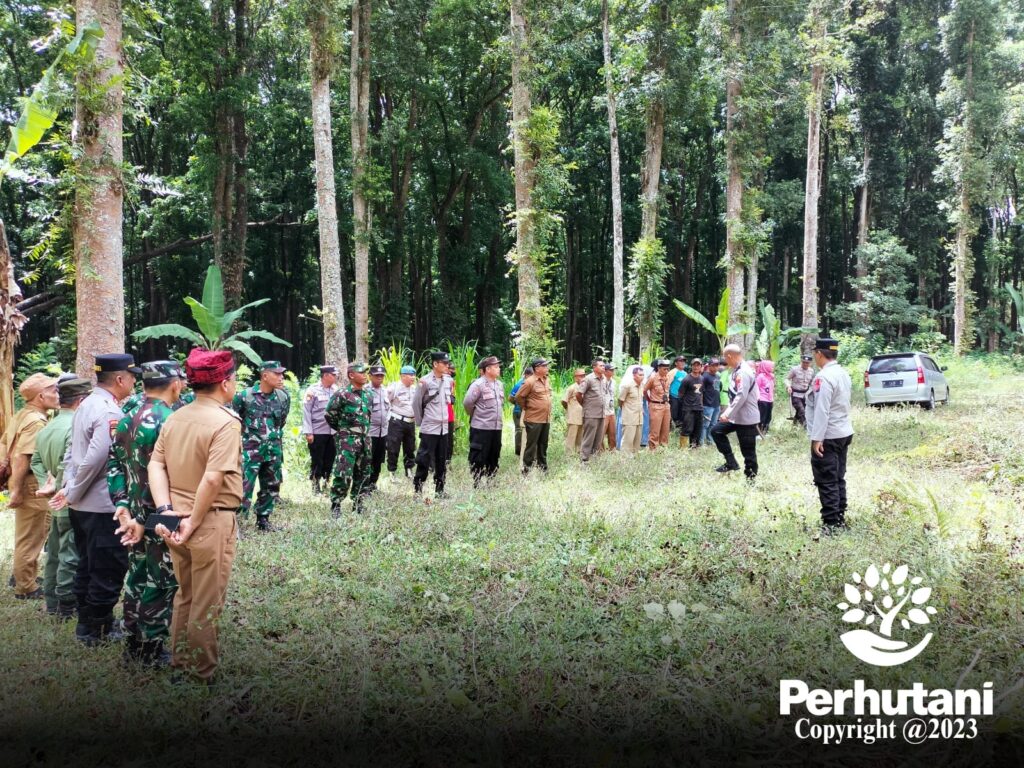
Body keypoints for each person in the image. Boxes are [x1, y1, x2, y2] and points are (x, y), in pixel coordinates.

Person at [149, 348, 241, 684]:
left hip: (175, 521)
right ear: (225, 383)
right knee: (206, 601)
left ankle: (180, 662)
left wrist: (166, 511)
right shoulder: (225, 423)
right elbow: (214, 478)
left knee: (185, 594)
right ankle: (201, 674)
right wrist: (193, 520)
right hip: (210, 521)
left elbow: (155, 464)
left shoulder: (175, 417)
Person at [50, 354, 138, 645]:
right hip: (102, 505)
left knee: (87, 564)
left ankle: (87, 625)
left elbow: (71, 454)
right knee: (107, 567)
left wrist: (68, 487)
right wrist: (72, 489)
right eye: (132, 376)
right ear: (121, 379)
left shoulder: (86, 403)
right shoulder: (108, 411)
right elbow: (95, 460)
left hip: (82, 506)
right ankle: (97, 629)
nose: (135, 382)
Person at [107, 361, 184, 667]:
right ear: (175, 383)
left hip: (134, 514)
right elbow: (170, 475)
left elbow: (114, 464)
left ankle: (132, 643)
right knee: (161, 580)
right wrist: (146, 516)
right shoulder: (171, 421)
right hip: (158, 514)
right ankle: (150, 650)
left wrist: (122, 505)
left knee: (137, 577)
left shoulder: (127, 417)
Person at [32, 375, 89, 618]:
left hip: (55, 500)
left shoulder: (48, 428)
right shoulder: (74, 427)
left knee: (54, 551)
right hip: (69, 499)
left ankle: (52, 600)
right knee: (70, 553)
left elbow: (35, 460)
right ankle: (66, 602)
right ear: (81, 400)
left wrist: (48, 480)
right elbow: (71, 463)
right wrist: (60, 484)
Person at [2, 372, 59, 600]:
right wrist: (15, 490)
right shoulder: (36, 422)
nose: (57, 395)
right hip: (31, 486)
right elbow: (21, 458)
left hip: (27, 484)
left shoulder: (23, 414)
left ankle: (24, 575)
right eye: (53, 391)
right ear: (40, 396)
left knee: (30, 534)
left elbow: (3, 443)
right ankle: (25, 586)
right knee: (31, 537)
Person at [233, 360, 291, 532]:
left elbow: (281, 421)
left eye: (282, 374)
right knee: (243, 486)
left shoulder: (283, 397)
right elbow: (234, 421)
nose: (281, 377)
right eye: (277, 374)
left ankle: (263, 519)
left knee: (271, 485)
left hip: (273, 449)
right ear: (265, 375)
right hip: (250, 451)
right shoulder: (245, 396)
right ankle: (236, 523)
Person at [805, 338, 854, 533]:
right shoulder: (842, 373)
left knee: (827, 479)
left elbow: (822, 410)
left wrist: (817, 438)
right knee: (838, 477)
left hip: (829, 435)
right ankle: (840, 516)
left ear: (819, 354)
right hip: (843, 431)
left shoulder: (823, 377)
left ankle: (832, 523)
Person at [325, 363, 373, 516]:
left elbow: (368, 416)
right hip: (347, 439)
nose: (365, 375)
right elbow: (330, 415)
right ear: (351, 375)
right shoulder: (342, 394)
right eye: (361, 373)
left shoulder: (368, 394)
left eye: (366, 373)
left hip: (365, 439)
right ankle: (336, 505)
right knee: (344, 471)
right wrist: (344, 431)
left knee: (363, 471)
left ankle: (359, 503)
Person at [710, 344, 760, 479]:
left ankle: (751, 479)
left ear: (730, 356)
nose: (725, 361)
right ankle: (731, 462)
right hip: (737, 417)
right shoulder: (736, 371)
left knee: (748, 451)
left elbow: (741, 395)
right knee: (716, 431)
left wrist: (727, 412)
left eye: (725, 357)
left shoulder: (744, 371)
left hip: (746, 418)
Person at [412, 351, 454, 497]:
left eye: (447, 363)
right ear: (435, 364)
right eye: (444, 363)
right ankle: (418, 489)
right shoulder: (425, 381)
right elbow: (416, 403)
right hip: (430, 426)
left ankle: (440, 490)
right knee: (424, 458)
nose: (447, 365)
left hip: (444, 426)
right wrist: (421, 423)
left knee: (442, 459)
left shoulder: (448, 380)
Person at [463, 356, 504, 485]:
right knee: (479, 455)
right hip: (481, 427)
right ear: (488, 369)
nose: (499, 369)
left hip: (496, 427)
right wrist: (476, 416)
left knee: (494, 453)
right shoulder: (478, 384)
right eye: (496, 367)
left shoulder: (499, 384)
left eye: (498, 366)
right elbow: (468, 403)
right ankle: (477, 481)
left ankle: (491, 479)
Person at [301, 365, 339, 494]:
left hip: (332, 432)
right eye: (333, 375)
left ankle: (326, 481)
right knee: (317, 459)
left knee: (330, 458)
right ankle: (315, 484)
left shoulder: (335, 390)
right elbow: (306, 412)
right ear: (326, 375)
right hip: (317, 431)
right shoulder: (312, 391)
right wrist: (308, 432)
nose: (335, 377)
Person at [515, 358, 553, 473]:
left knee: (543, 445)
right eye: (544, 366)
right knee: (531, 445)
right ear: (537, 368)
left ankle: (543, 468)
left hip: (545, 418)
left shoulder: (546, 379)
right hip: (533, 419)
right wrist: (527, 407)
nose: (547, 368)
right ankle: (526, 469)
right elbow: (518, 397)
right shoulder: (529, 381)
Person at [385, 365, 418, 478]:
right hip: (397, 421)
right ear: (402, 376)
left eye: (414, 375)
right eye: (410, 375)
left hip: (410, 422)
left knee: (410, 447)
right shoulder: (394, 387)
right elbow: (386, 402)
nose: (413, 377)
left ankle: (409, 470)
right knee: (393, 447)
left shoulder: (414, 388)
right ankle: (392, 472)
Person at [576, 360, 607, 462]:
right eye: (601, 365)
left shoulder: (604, 379)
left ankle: (594, 459)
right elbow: (579, 394)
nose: (603, 367)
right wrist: (584, 405)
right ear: (594, 367)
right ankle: (584, 459)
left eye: (604, 365)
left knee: (598, 438)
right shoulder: (588, 379)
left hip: (601, 413)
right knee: (589, 437)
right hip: (591, 413)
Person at [366, 364, 390, 490]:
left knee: (378, 460)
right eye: (377, 376)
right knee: (368, 459)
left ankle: (373, 483)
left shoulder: (385, 390)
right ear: (370, 376)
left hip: (383, 432)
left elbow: (388, 409)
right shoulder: (365, 391)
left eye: (381, 376)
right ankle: (365, 484)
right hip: (370, 432)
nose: (380, 378)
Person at [644, 359, 672, 450]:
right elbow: (644, 391)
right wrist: (650, 400)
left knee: (665, 428)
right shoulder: (653, 378)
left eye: (667, 369)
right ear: (659, 368)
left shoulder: (668, 377)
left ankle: (663, 446)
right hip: (656, 406)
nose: (666, 371)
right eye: (664, 369)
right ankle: (653, 448)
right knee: (655, 429)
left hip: (666, 405)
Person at [678, 358, 705, 448]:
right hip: (688, 408)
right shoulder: (687, 379)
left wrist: (701, 405)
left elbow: (701, 393)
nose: (696, 367)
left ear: (701, 367)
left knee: (697, 429)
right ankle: (683, 448)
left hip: (699, 408)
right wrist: (685, 405)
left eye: (698, 365)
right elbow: (680, 394)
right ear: (691, 366)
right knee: (687, 428)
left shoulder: (702, 379)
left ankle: (694, 447)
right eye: (694, 365)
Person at [618, 366, 645, 455]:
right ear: (634, 375)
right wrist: (626, 410)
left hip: (639, 416)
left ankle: (635, 454)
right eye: (640, 375)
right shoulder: (627, 385)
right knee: (628, 438)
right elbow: (620, 400)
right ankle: (625, 456)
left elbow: (640, 400)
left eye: (643, 375)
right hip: (629, 416)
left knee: (637, 438)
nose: (642, 377)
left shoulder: (642, 385)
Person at [786, 354, 815, 426]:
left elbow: (812, 383)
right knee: (802, 410)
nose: (805, 364)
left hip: (805, 395)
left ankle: (794, 425)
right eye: (804, 362)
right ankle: (805, 427)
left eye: (807, 363)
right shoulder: (794, 369)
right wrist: (788, 386)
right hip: (795, 394)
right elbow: (787, 379)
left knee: (802, 410)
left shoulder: (811, 371)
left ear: (810, 363)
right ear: (801, 361)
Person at [509, 366, 532, 457]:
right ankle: (519, 452)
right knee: (519, 432)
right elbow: (510, 398)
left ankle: (525, 451)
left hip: (527, 412)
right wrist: (518, 404)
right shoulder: (520, 384)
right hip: (518, 412)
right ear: (527, 375)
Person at [561, 369, 586, 454]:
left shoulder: (585, 387)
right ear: (575, 377)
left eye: (584, 375)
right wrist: (569, 410)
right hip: (573, 417)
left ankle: (579, 452)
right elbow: (564, 401)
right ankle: (569, 454)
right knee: (571, 436)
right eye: (580, 376)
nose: (583, 377)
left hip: (583, 416)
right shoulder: (571, 388)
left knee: (581, 436)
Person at [700, 358, 722, 446]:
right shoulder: (704, 377)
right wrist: (701, 405)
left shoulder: (717, 376)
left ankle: (710, 440)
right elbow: (701, 392)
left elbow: (717, 389)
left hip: (716, 404)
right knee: (705, 425)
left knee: (713, 424)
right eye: (713, 365)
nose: (716, 367)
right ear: (709, 366)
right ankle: (701, 442)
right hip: (707, 405)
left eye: (717, 365)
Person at [668, 356, 687, 435]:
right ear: (676, 363)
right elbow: (667, 384)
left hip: (682, 397)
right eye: (680, 361)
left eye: (684, 361)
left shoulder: (685, 373)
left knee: (681, 415)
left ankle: (678, 431)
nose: (682, 362)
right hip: (673, 396)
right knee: (673, 414)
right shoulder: (673, 372)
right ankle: (670, 431)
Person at [756, 359, 776, 435]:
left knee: (768, 416)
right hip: (762, 399)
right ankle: (758, 433)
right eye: (771, 367)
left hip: (770, 400)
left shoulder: (771, 376)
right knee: (762, 416)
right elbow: (756, 388)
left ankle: (765, 431)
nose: (772, 368)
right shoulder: (760, 377)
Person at [602, 363, 618, 450]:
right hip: (603, 410)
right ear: (605, 371)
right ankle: (601, 450)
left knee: (612, 431)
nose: (613, 372)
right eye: (611, 370)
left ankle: (613, 449)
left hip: (611, 409)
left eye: (613, 370)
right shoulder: (601, 381)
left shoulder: (613, 381)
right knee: (602, 432)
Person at [445, 360, 457, 464]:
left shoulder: (451, 381)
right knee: (447, 440)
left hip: (449, 415)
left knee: (448, 439)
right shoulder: (450, 381)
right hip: (444, 416)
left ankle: (447, 460)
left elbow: (453, 400)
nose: (453, 371)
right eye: (452, 369)